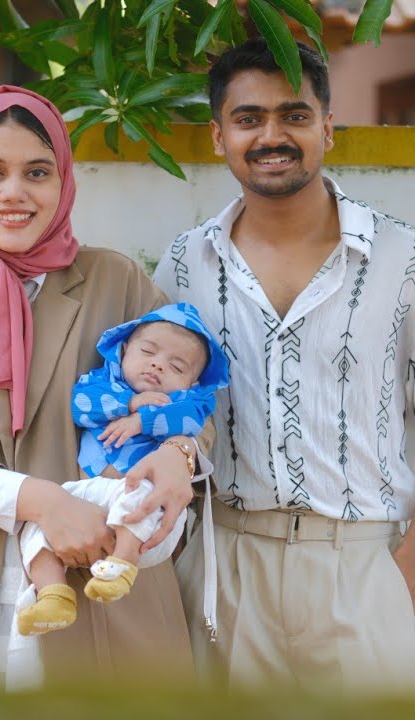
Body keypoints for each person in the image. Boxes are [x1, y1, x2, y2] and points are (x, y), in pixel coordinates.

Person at [0, 86, 204, 689]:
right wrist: (39, 501)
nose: (14, 193)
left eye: (37, 172)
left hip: (110, 597)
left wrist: (178, 452)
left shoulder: (116, 281)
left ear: (63, 181)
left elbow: (196, 394)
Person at [155, 38, 415, 690]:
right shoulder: (185, 266)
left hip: (365, 567)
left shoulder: (401, 258)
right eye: (249, 119)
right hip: (227, 566)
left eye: (294, 115)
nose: (273, 135)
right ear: (218, 136)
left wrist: (407, 570)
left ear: (328, 127)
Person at [16, 303, 227, 636]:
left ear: (193, 380)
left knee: (143, 499)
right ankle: (53, 595)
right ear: (124, 350)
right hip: (88, 492)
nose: (158, 364)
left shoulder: (187, 402)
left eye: (176, 365)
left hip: (138, 492)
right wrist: (128, 403)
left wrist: (141, 419)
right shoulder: (102, 382)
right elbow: (80, 406)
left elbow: (190, 422)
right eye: (148, 351)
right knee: (35, 525)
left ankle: (122, 564)